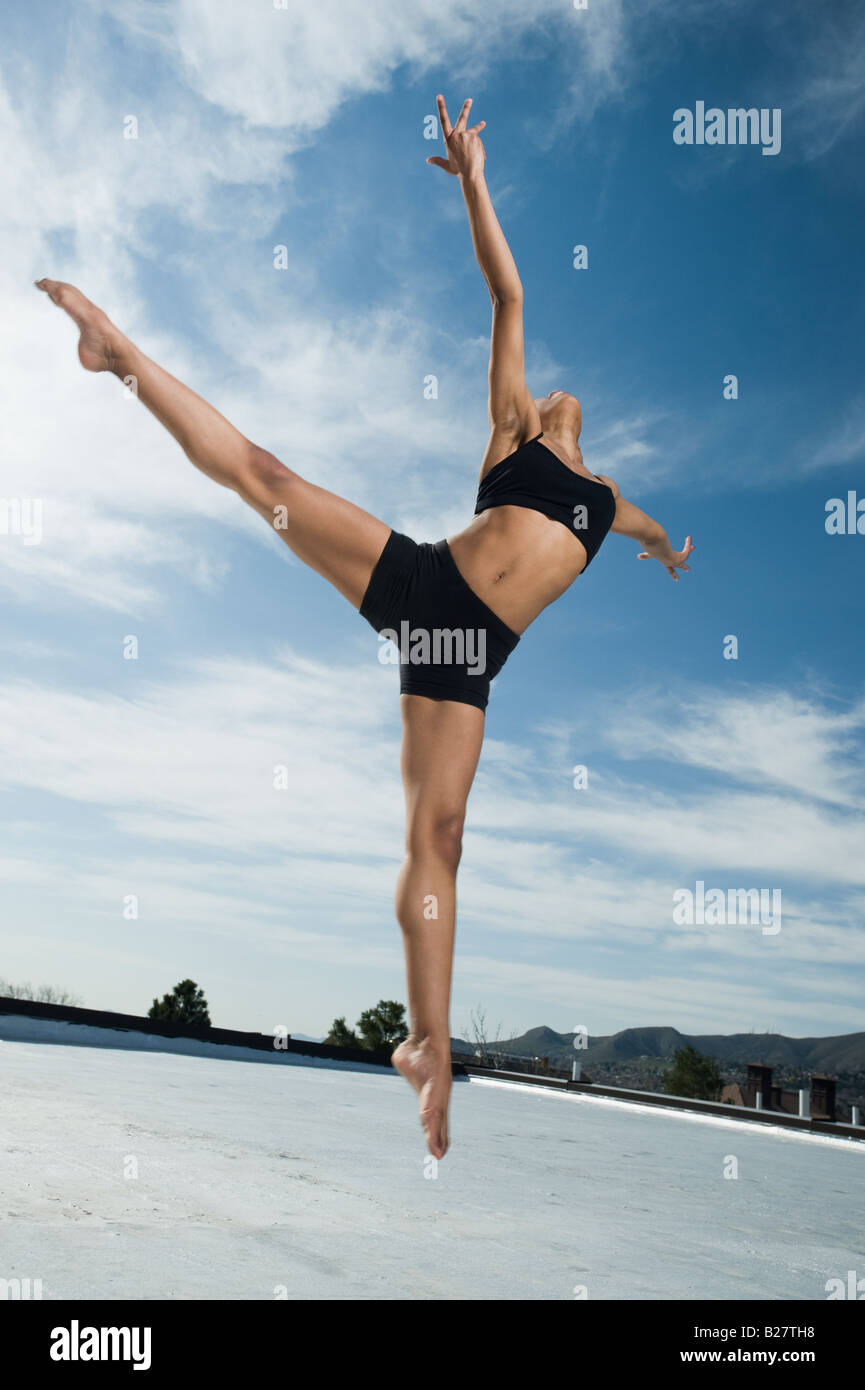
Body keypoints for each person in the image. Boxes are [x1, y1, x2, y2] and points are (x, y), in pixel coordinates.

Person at [35, 95, 693, 1160]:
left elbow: (653, 530)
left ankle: (427, 1045)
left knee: (440, 841)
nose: (566, 396)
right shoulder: (512, 428)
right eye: (554, 399)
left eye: (576, 401)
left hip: (470, 659)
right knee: (270, 477)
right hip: (427, 586)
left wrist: (668, 552)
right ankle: (124, 358)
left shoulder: (609, 499)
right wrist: (476, 176)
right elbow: (507, 289)